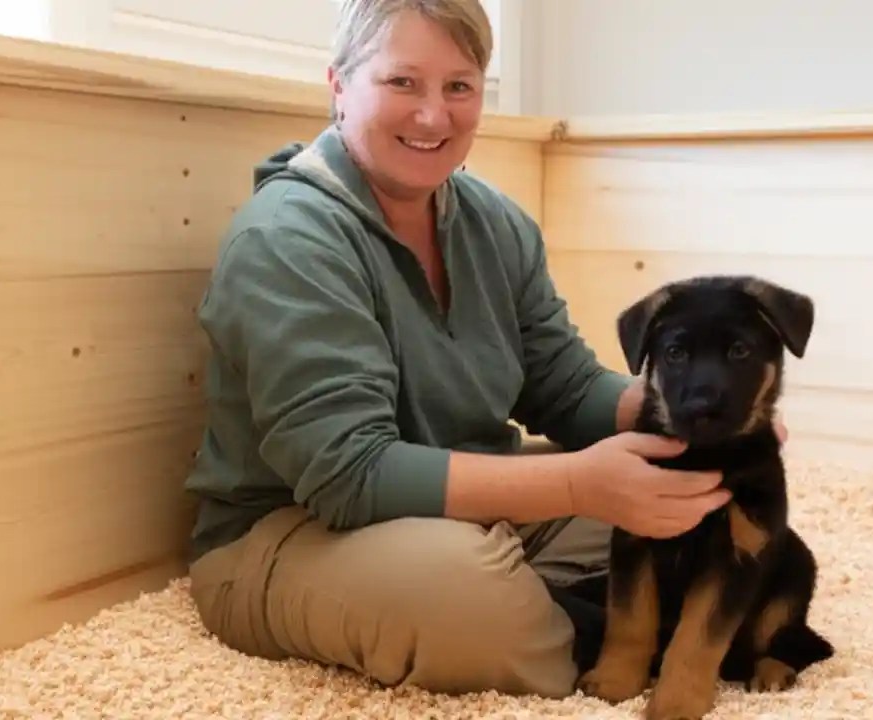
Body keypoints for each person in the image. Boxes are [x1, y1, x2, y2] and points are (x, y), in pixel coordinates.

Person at [183, 0, 787, 700]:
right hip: (289, 531)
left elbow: (561, 384)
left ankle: (584, 605)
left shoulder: (494, 222)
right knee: (468, 599)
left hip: (465, 504)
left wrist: (688, 415)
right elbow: (348, 476)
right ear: (339, 85)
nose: (433, 116)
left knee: (703, 501)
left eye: (459, 87)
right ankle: (599, 633)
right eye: (402, 83)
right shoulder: (289, 239)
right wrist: (575, 485)